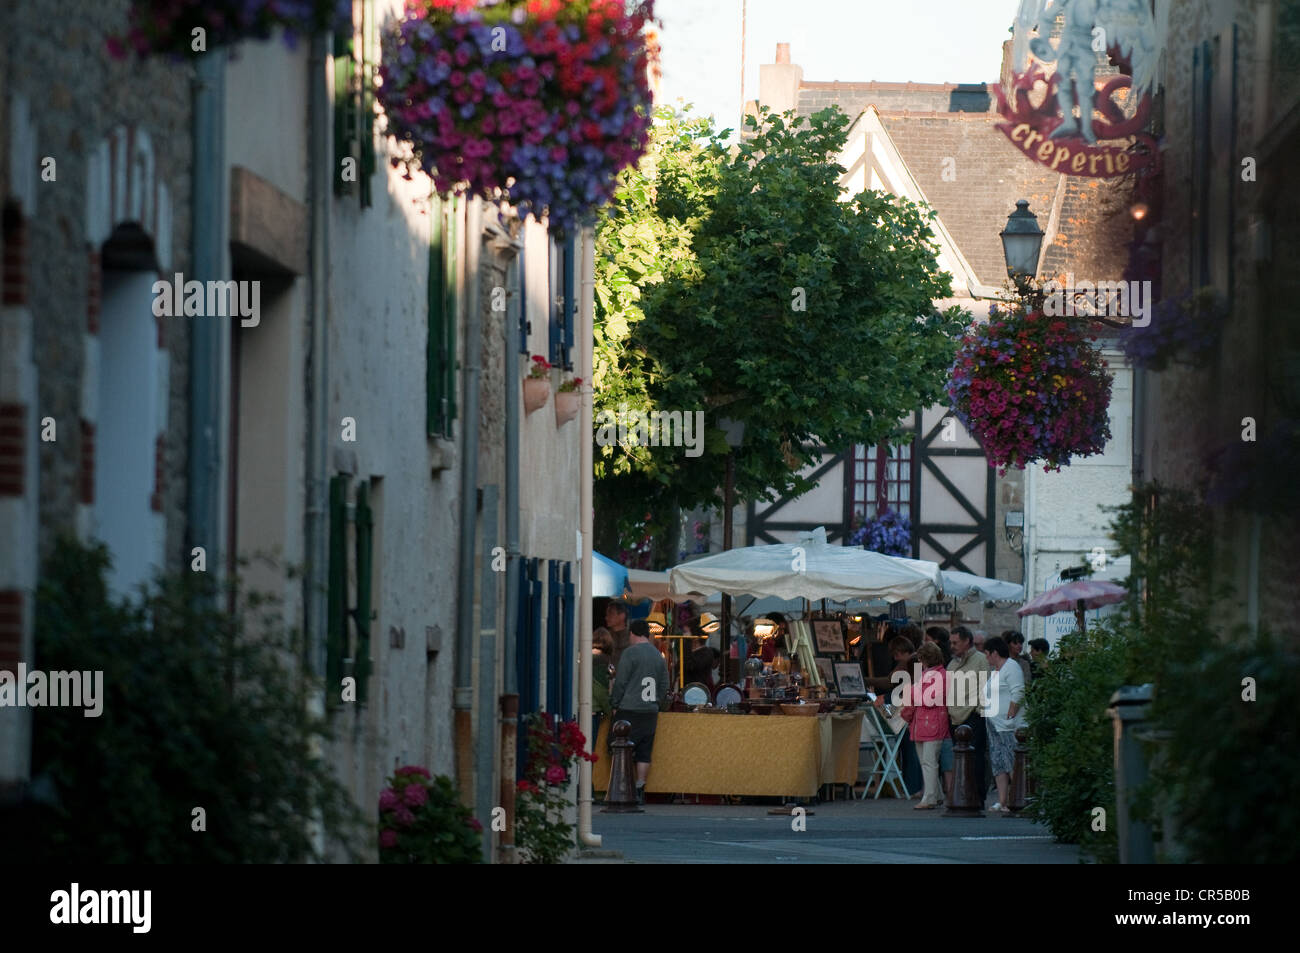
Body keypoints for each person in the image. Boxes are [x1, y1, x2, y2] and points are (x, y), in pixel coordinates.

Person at [609, 619, 670, 804]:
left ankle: (621, 787)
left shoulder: (630, 653)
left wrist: (614, 702)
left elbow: (621, 681)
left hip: (629, 708)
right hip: (650, 710)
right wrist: (657, 702)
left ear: (632, 634)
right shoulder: (658, 656)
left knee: (619, 748)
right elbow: (664, 684)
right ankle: (640, 787)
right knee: (644, 750)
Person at [899, 642, 950, 809]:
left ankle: (929, 798)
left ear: (925, 659)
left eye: (920, 659)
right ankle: (937, 794)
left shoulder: (939, 675)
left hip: (931, 724)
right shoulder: (933, 674)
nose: (919, 663)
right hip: (925, 724)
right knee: (927, 762)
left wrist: (912, 691)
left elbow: (929, 699)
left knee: (929, 762)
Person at [981, 636, 1026, 813]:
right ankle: (1002, 801)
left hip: (1007, 725)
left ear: (994, 653)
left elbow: (1019, 692)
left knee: (1011, 762)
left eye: (987, 654)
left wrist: (1011, 715)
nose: (986, 658)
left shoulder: (1011, 667)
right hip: (994, 724)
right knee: (998, 763)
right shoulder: (996, 671)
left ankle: (1017, 798)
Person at [947, 625, 991, 807]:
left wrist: (980, 712)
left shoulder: (981, 660)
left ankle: (978, 797)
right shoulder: (953, 663)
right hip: (954, 717)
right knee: (960, 759)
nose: (952, 645)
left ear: (967, 641)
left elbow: (985, 686)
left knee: (976, 758)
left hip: (974, 715)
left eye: (955, 642)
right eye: (951, 642)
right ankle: (962, 795)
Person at [591, 628, 614, 751]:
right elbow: (600, 690)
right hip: (593, 712)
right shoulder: (602, 661)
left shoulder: (582, 657)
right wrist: (610, 710)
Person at [605, 600, 631, 670]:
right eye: (607, 614)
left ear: (622, 616)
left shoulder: (632, 637)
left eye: (611, 613)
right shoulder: (605, 637)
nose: (606, 618)